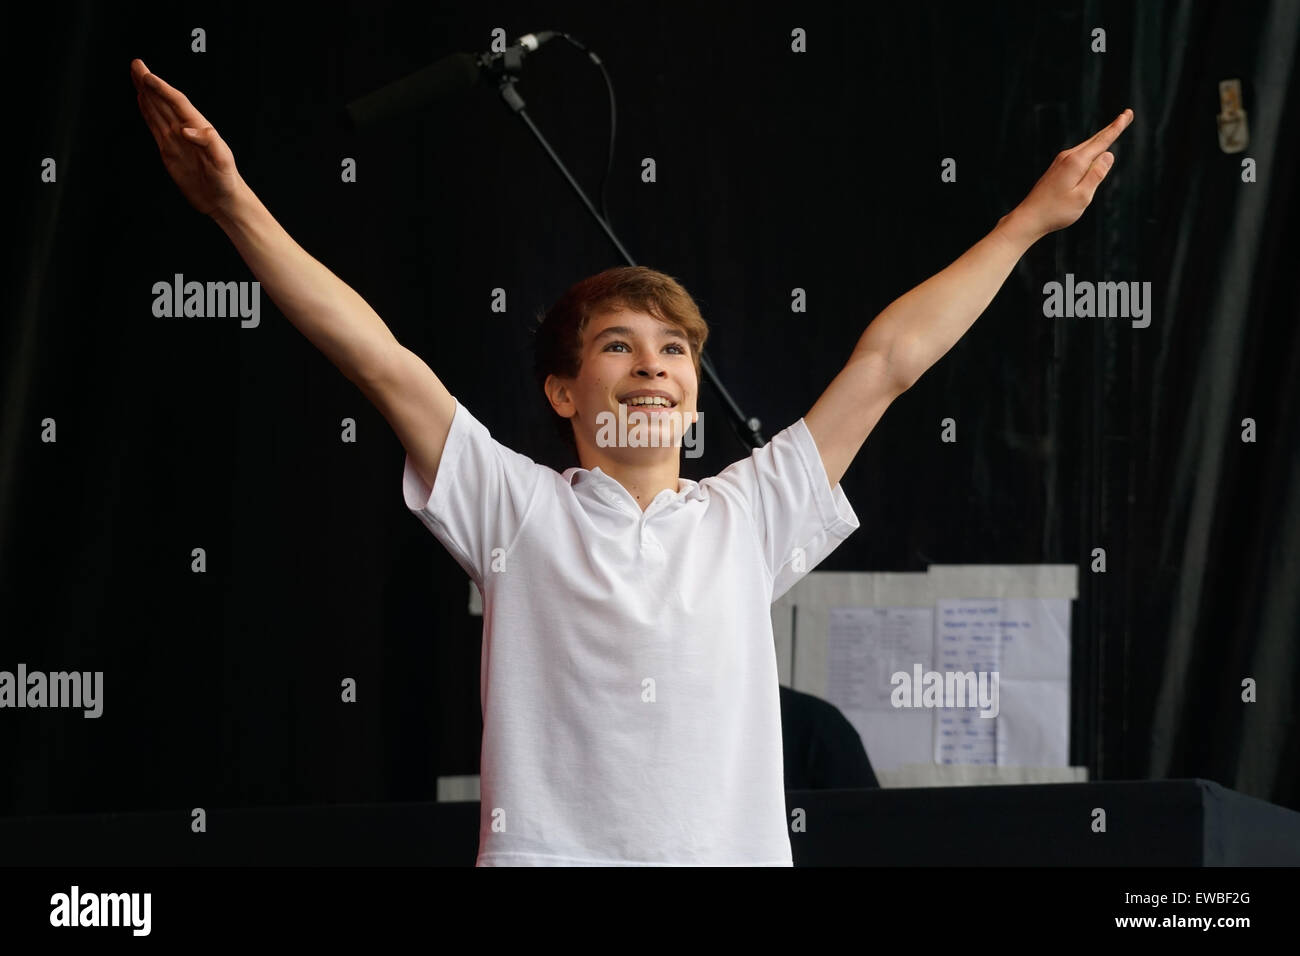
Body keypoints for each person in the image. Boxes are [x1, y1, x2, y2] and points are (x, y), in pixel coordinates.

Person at [131, 57, 1131, 865]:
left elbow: (889, 361)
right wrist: (231, 205)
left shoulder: (750, 513)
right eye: (617, 344)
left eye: (674, 350)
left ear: (694, 389)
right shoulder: (513, 507)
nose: (651, 366)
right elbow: (377, 359)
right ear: (563, 390)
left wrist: (1028, 222)